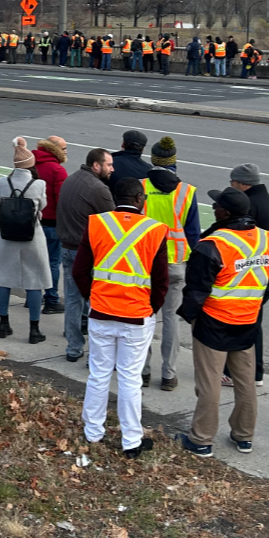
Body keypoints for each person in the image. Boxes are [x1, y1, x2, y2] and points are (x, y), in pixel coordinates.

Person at [177, 188, 269, 458]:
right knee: (245, 381)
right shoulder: (264, 238)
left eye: (216, 206)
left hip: (214, 321)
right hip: (248, 320)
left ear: (225, 213)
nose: (213, 208)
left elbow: (196, 288)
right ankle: (244, 436)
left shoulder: (213, 244)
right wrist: (255, 302)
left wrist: (189, 315)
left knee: (209, 383)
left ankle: (201, 439)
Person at [72, 177, 169, 457]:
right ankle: (131, 441)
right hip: (136, 317)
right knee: (129, 378)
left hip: (101, 312)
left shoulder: (96, 224)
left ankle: (93, 432)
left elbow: (79, 271)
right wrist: (151, 308)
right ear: (140, 199)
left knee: (99, 374)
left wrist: (93, 297)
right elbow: (161, 281)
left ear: (115, 198)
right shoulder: (155, 230)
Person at [142, 138, 199, 391]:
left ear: (153, 160)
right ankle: (168, 374)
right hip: (175, 264)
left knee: (145, 318)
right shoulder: (187, 192)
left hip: (145, 264)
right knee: (171, 319)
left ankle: (143, 370)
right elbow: (193, 234)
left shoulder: (141, 187)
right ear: (174, 162)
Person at [56, 147, 116, 362]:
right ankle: (97, 353)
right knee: (96, 302)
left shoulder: (70, 180)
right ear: (96, 165)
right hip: (88, 253)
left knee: (73, 300)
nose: (112, 169)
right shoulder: (98, 189)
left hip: (67, 248)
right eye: (109, 165)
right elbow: (115, 222)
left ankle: (73, 348)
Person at [222, 163, 269, 385]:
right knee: (254, 323)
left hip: (246, 272)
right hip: (261, 271)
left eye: (233, 182)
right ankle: (256, 372)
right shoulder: (268, 203)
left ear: (243, 184)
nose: (231, 186)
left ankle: (234, 372)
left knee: (238, 323)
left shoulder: (249, 205)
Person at [0, 138, 52, 343]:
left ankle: (3, 323)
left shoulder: (3, 182)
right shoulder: (39, 184)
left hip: (7, 236)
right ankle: (34, 329)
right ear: (31, 163)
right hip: (31, 237)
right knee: (34, 281)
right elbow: (42, 206)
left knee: (3, 279)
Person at [33, 136, 68, 313]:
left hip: (33, 223)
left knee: (35, 262)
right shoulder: (57, 170)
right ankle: (51, 299)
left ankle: (33, 296)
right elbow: (62, 201)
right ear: (55, 149)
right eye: (64, 148)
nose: (66, 151)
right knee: (53, 262)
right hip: (52, 224)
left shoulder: (32, 164)